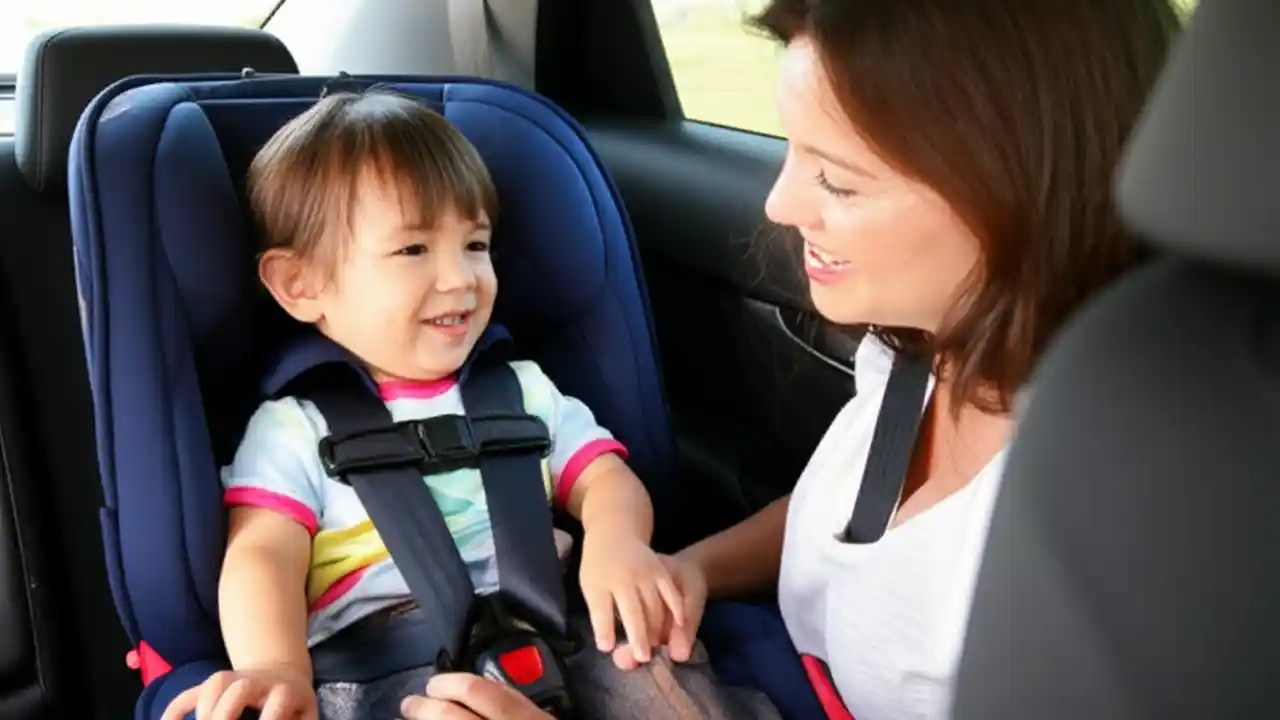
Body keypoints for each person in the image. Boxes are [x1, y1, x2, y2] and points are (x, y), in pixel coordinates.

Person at [398, 0, 1180, 718]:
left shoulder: (1106, 521)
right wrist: (693, 570)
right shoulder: (917, 352)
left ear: (1016, 188)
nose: (780, 205)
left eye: (837, 181)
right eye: (796, 155)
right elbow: (840, 524)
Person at [159, 90, 689, 720]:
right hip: (382, 672)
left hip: (563, 641)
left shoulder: (524, 390)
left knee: (668, 676)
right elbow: (262, 554)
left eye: (475, 244)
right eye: (414, 250)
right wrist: (275, 665)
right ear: (301, 285)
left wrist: (616, 539)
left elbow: (604, 478)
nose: (462, 278)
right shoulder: (295, 430)